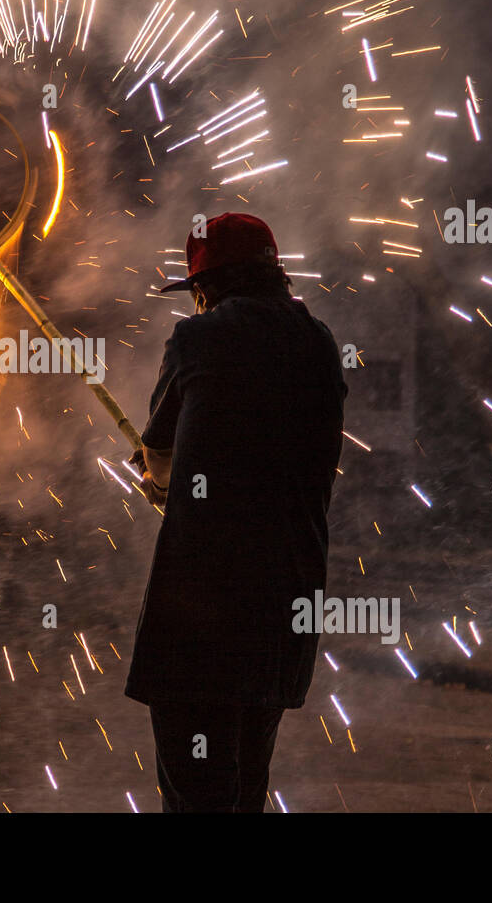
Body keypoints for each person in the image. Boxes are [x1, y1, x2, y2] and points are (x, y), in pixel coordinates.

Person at [126, 212, 347, 812]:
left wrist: (155, 475)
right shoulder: (321, 343)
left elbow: (164, 460)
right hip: (287, 608)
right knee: (247, 789)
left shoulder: (197, 338)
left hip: (202, 618)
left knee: (197, 796)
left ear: (206, 287)